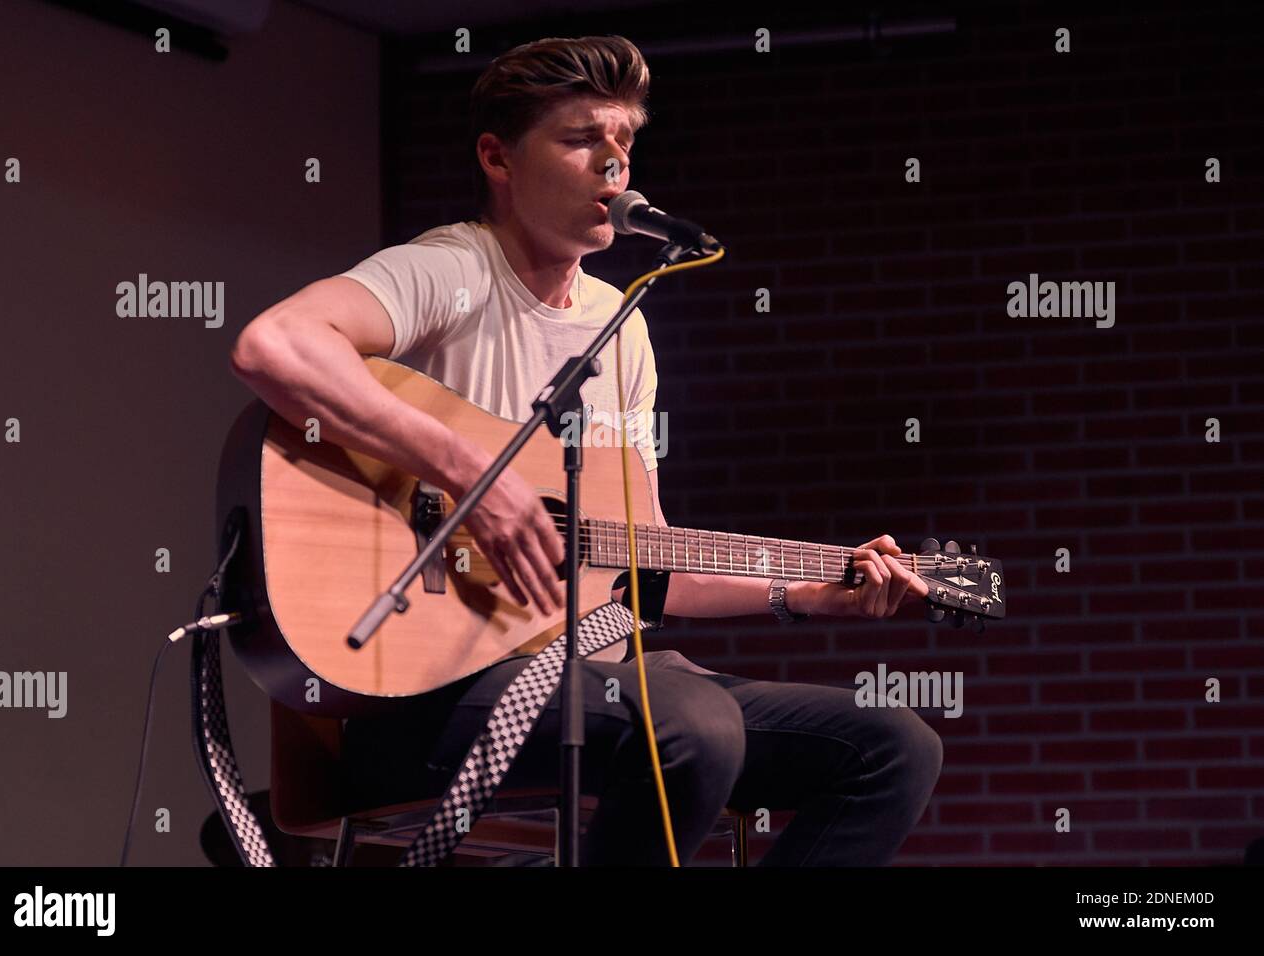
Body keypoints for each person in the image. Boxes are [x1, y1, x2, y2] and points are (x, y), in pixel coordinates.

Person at [229, 35, 942, 866]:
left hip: (599, 672)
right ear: (498, 157)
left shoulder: (623, 325)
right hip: (422, 696)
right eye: (580, 141)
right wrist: (473, 478)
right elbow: (274, 345)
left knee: (891, 745)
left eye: (625, 143)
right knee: (689, 724)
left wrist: (816, 596)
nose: (615, 167)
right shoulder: (449, 271)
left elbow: (646, 565)